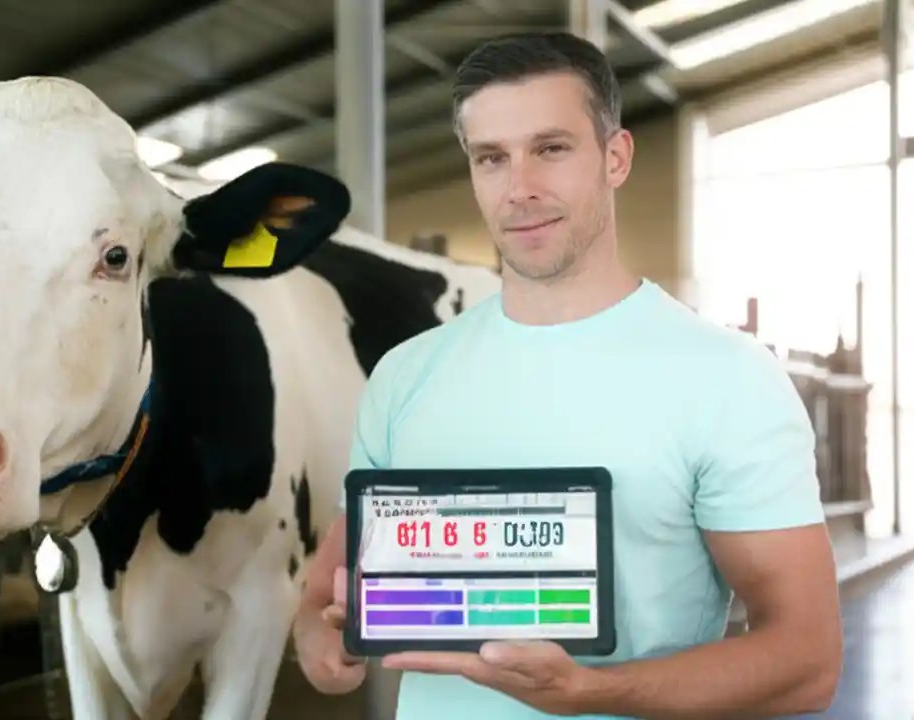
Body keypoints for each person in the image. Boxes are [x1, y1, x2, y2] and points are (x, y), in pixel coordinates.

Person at [292, 31, 843, 719]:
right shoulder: (404, 378)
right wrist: (323, 639)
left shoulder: (728, 378)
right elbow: (325, 596)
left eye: (550, 149)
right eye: (492, 158)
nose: (519, 189)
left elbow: (807, 660)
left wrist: (591, 692)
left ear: (615, 157)